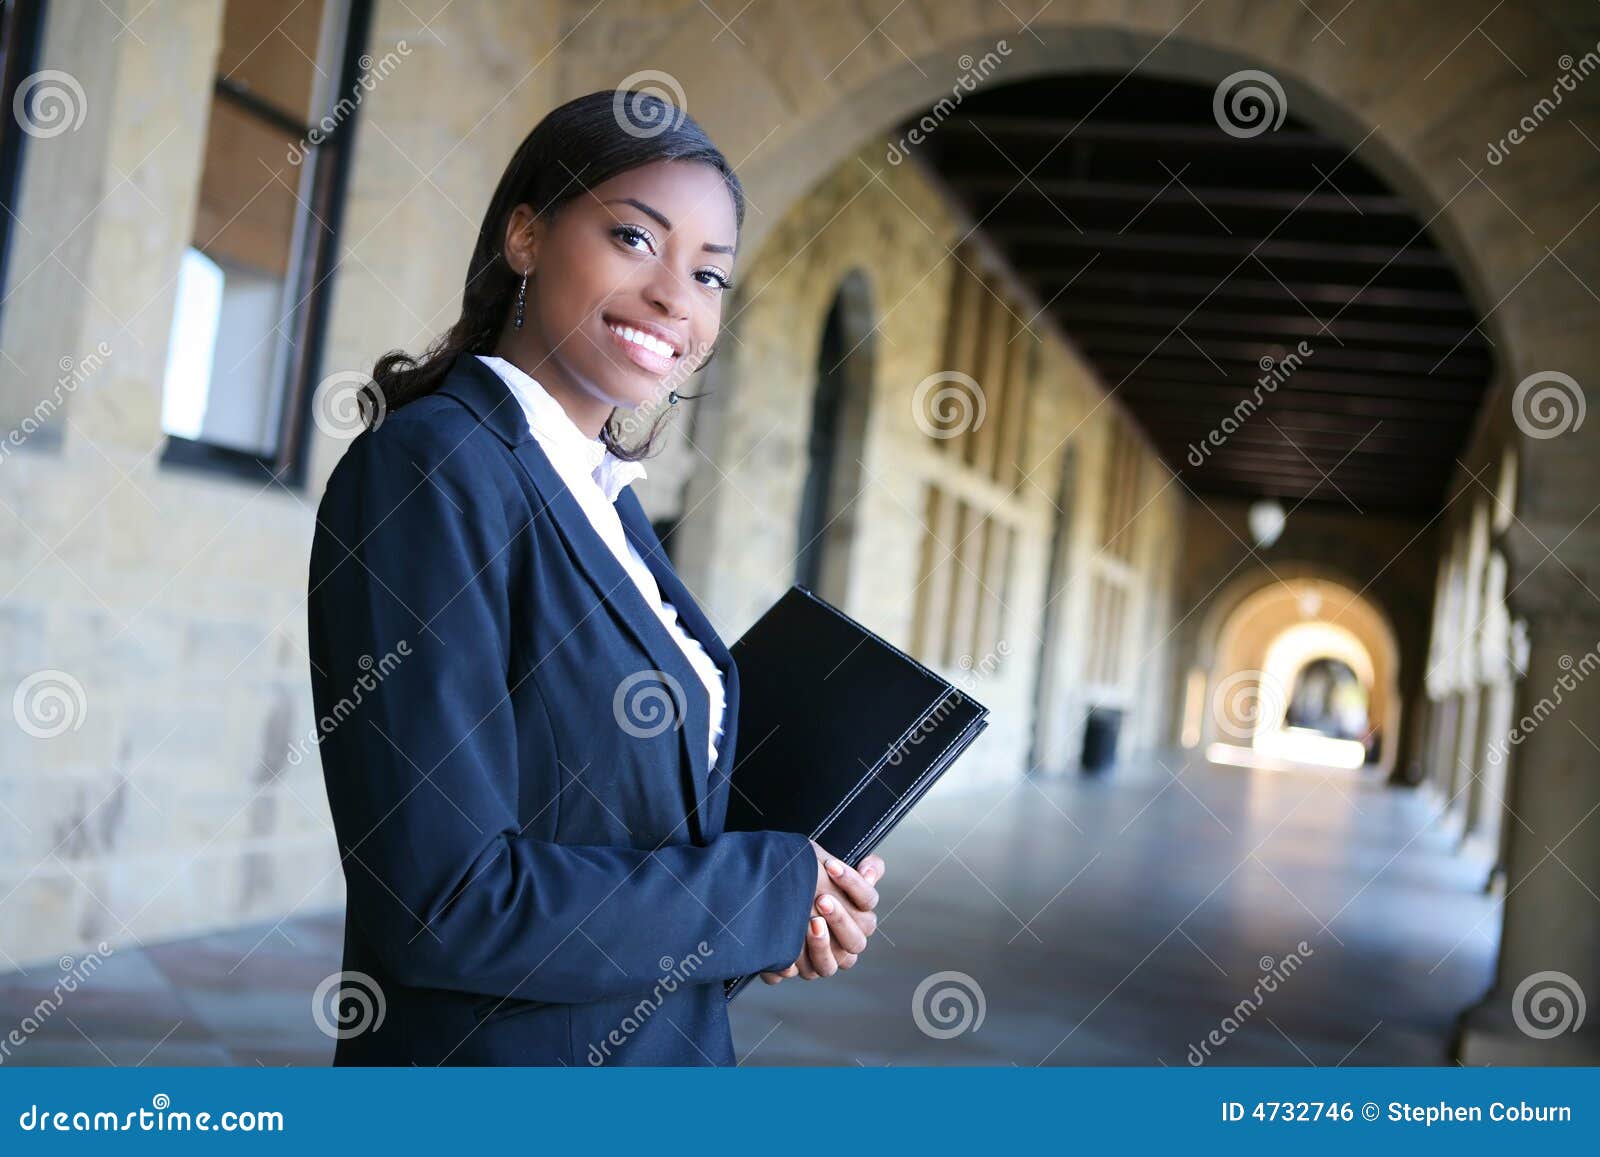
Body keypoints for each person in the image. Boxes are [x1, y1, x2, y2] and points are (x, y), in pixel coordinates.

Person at [306, 89, 884, 1066]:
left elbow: (623, 837)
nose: (674, 296)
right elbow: (446, 905)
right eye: (632, 237)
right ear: (526, 235)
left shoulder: (604, 499)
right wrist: (758, 890)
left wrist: (793, 909)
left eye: (710, 275)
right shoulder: (434, 470)